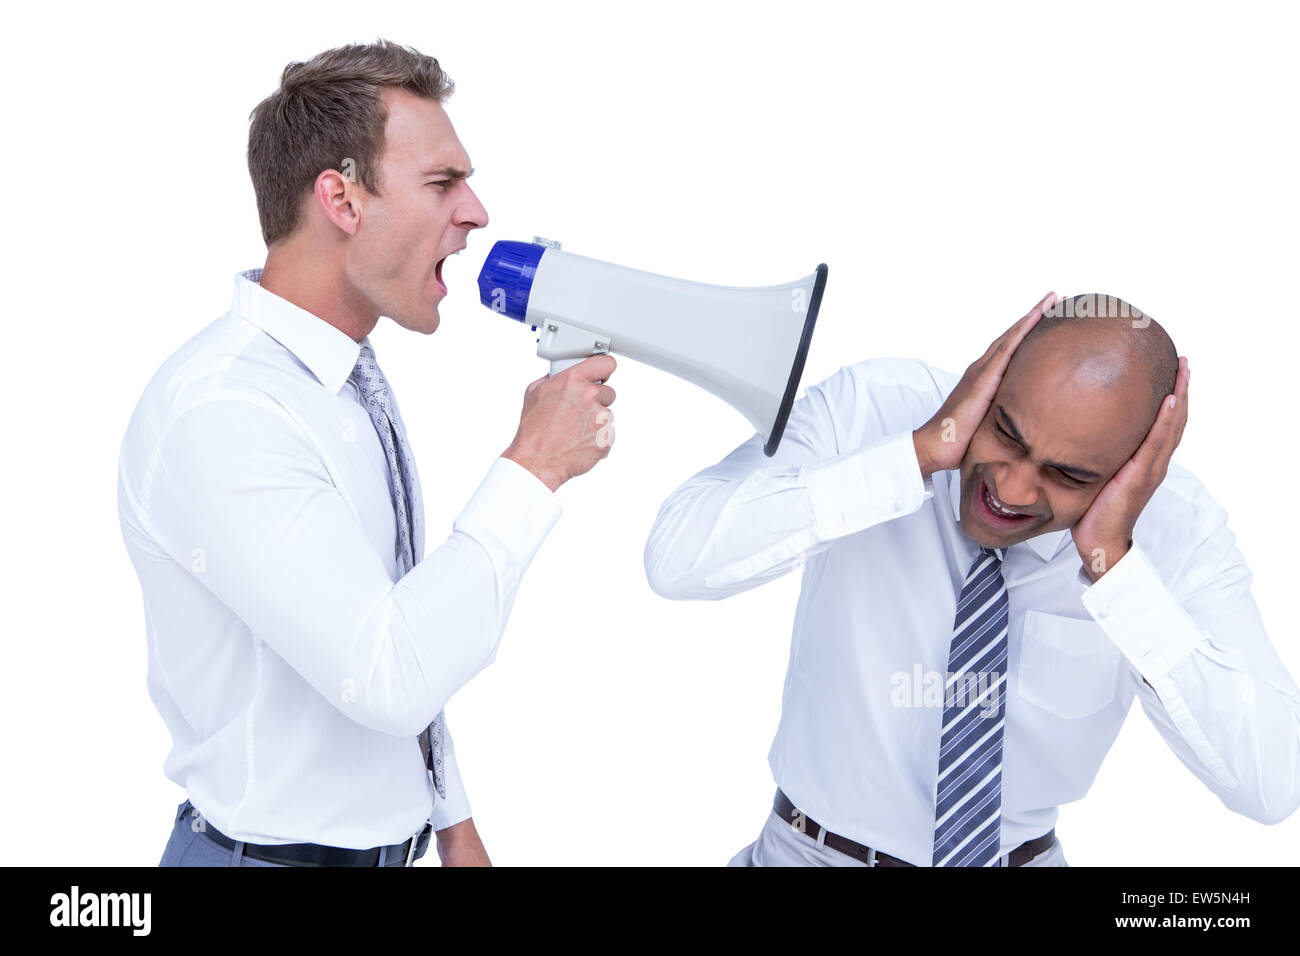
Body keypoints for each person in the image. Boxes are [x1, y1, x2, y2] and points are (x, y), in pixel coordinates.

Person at [117, 39, 617, 867]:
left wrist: (450, 817)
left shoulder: (344, 379)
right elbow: (388, 675)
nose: (477, 213)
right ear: (341, 199)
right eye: (442, 182)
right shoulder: (226, 413)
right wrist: (534, 466)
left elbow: (389, 610)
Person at [644, 291, 1300, 866]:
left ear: (1134, 467)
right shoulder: (875, 410)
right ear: (991, 371)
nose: (1011, 488)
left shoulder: (1177, 529)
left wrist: (1114, 565)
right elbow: (676, 559)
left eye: (1069, 475)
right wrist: (917, 455)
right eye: (1006, 433)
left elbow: (1273, 786)